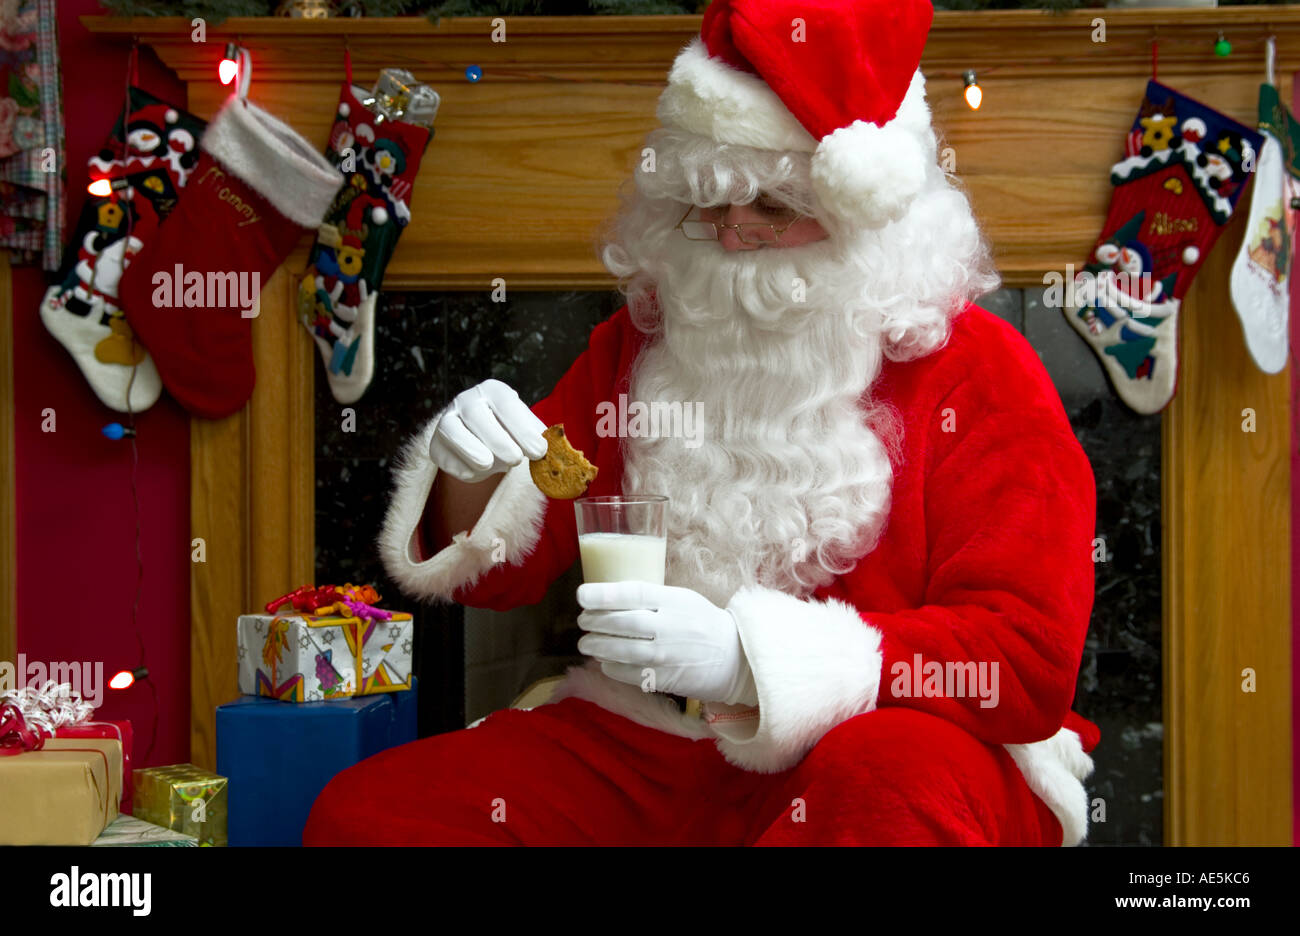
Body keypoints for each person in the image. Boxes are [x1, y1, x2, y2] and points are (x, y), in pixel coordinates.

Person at [304, 0, 1100, 846]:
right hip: (647, 742)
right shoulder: (650, 344)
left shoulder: (982, 371)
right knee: (374, 818)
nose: (731, 240)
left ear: (865, 213)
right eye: (705, 204)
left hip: (867, 746)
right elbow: (505, 564)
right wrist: (472, 473)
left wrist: (749, 662)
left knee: (888, 789)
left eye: (770, 205)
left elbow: (1023, 659)